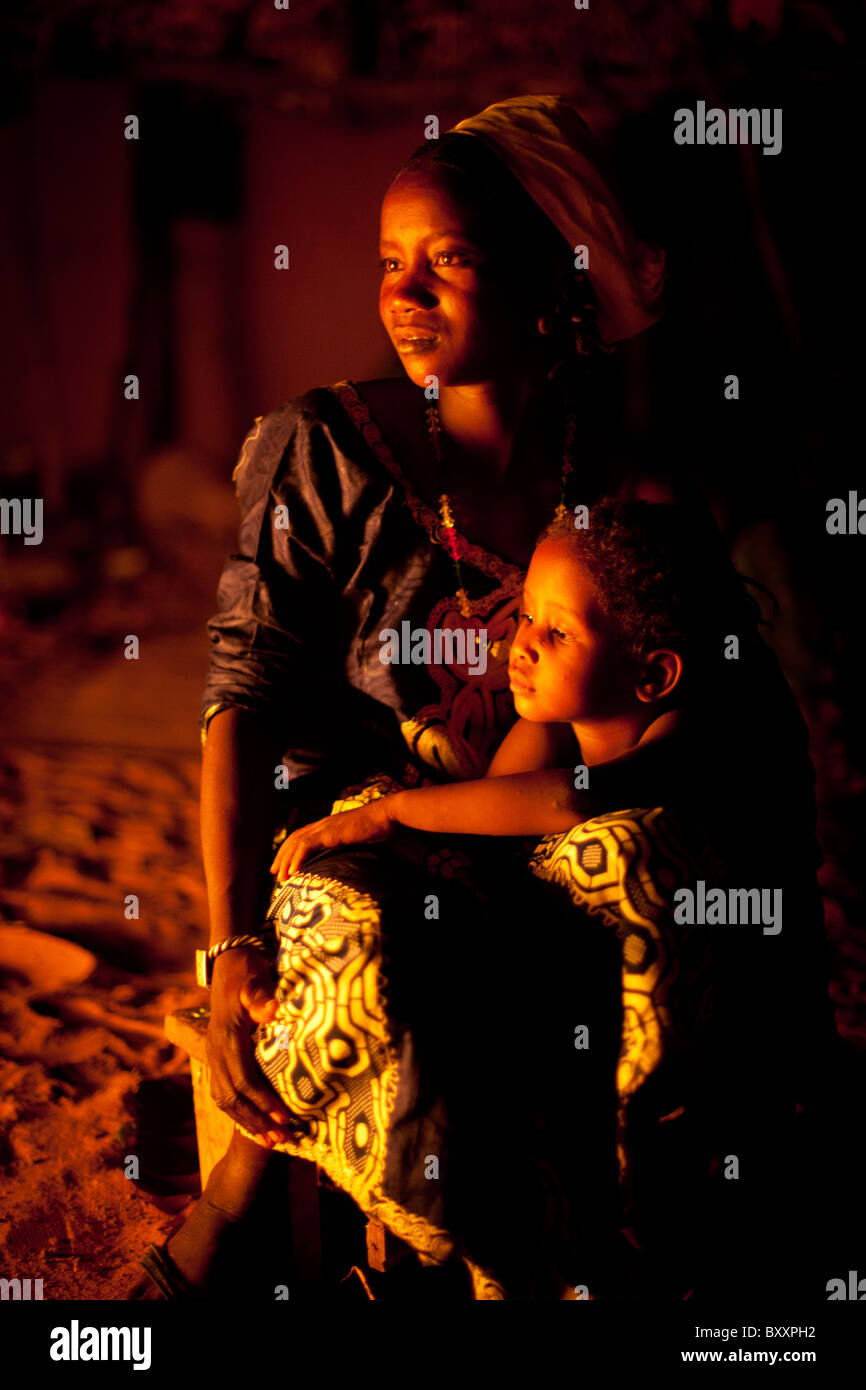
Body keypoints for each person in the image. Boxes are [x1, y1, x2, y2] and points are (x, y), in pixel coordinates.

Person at [130, 96, 829, 1301]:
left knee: (649, 888)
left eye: (447, 262)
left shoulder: (619, 478)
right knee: (387, 929)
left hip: (522, 826)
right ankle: (244, 1204)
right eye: (390, 264)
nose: (405, 297)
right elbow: (240, 698)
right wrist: (229, 944)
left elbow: (710, 699)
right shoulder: (323, 451)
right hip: (348, 840)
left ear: (550, 281)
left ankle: (614, 1220)